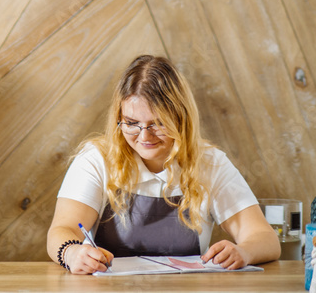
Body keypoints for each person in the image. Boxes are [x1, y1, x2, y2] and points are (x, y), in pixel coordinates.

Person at [46, 55, 279, 274]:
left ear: (181, 118)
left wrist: (244, 251)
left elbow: (265, 238)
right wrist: (72, 252)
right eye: (131, 123)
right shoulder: (95, 160)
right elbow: (62, 230)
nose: (144, 136)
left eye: (158, 124)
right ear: (119, 118)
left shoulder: (210, 163)